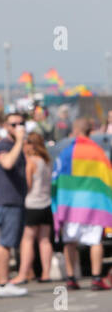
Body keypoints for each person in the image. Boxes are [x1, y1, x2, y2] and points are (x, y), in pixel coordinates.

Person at [55, 118, 110, 290]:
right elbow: (107, 177)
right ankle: (96, 278)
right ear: (90, 131)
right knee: (95, 241)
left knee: (70, 242)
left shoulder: (66, 152)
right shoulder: (98, 152)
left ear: (75, 131)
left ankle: (71, 278)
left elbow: (56, 178)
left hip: (71, 205)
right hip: (93, 204)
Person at [0, 111, 30, 295]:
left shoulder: (14, 145)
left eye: (21, 124)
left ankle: (6, 280)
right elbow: (6, 163)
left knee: (12, 240)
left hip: (16, 199)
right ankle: (3, 282)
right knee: (6, 242)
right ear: (6, 127)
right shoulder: (4, 145)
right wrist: (20, 142)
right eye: (13, 125)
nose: (18, 128)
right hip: (8, 201)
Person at [17, 132, 54, 285]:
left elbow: (28, 184)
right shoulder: (47, 161)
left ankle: (24, 273)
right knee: (44, 240)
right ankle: (46, 272)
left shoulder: (31, 162)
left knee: (27, 240)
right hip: (46, 203)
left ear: (31, 145)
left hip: (32, 203)